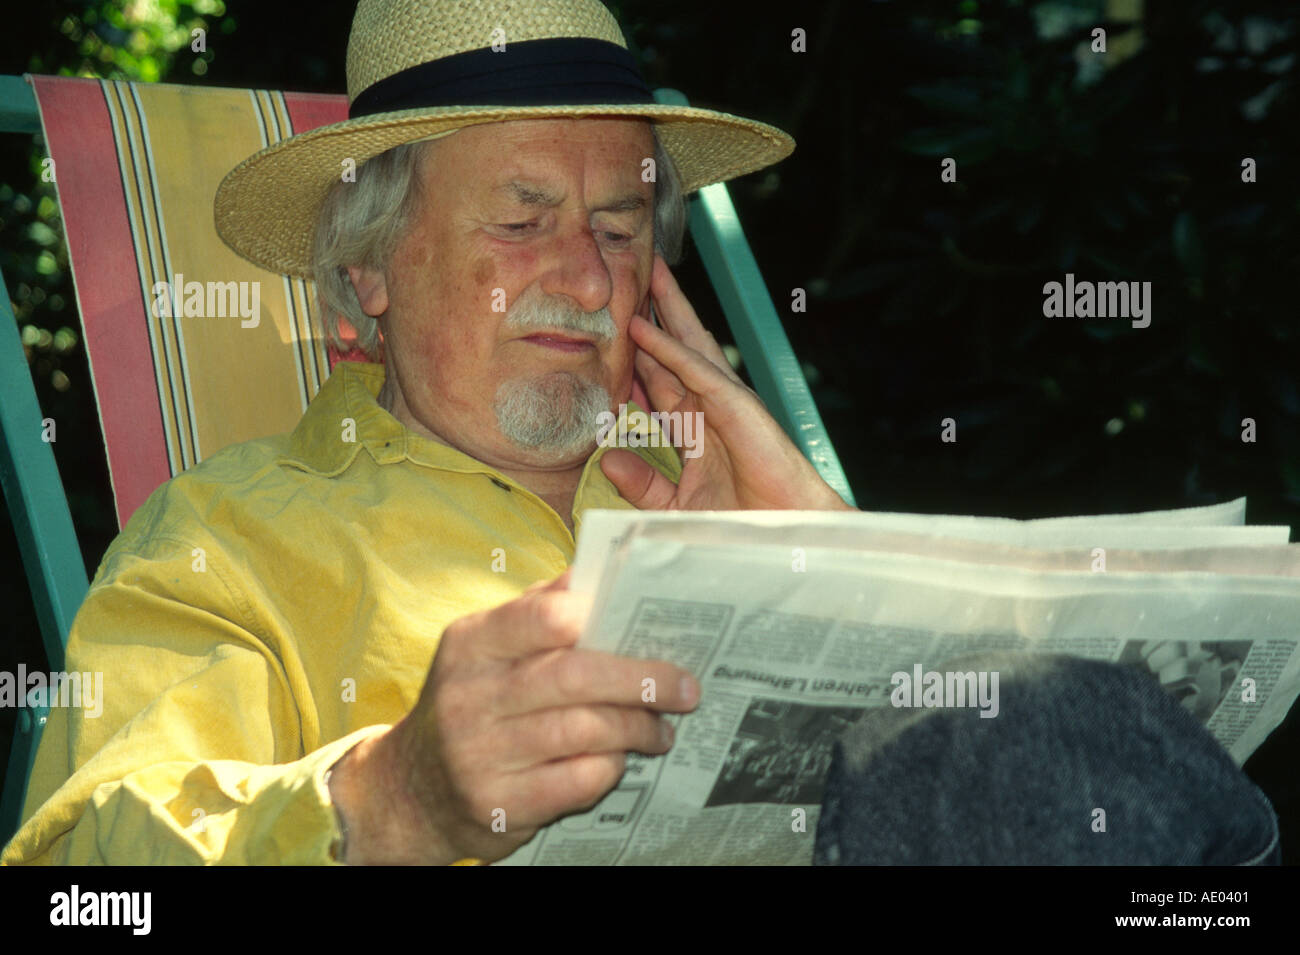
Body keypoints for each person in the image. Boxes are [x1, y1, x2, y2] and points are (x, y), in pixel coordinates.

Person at [1, 0, 849, 866]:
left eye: (618, 229)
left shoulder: (742, 497)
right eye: (521, 223)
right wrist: (393, 801)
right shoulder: (227, 542)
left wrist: (834, 577)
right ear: (370, 260)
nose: (591, 280)